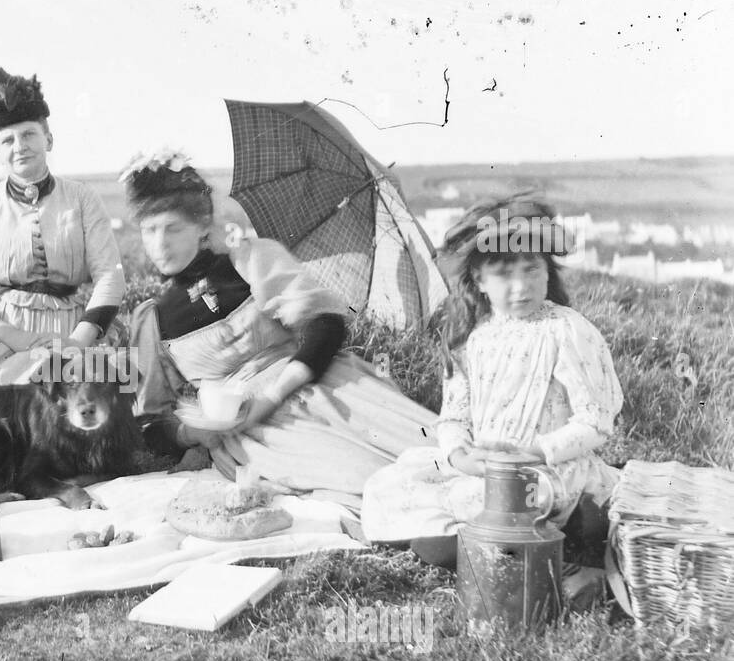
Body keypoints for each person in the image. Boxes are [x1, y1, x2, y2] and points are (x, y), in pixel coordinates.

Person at [124, 152, 439, 514]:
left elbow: (325, 326)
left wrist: (271, 397)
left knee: (433, 451)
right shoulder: (154, 318)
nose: (160, 243)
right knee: (368, 480)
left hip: (321, 386)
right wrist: (193, 434)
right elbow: (150, 422)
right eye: (150, 230)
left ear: (202, 225)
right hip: (251, 433)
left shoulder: (250, 261)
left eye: (173, 228)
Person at [360, 196, 624, 564]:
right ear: (480, 281)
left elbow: (595, 420)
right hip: (487, 470)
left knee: (509, 504)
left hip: (549, 470)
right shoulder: (474, 339)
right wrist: (462, 456)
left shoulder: (567, 331)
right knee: (389, 485)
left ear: (548, 271)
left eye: (531, 269)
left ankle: (509, 543)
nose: (520, 286)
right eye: (503, 273)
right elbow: (454, 417)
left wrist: (536, 451)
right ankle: (480, 544)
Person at [0, 66, 126, 386]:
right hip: (0, 335)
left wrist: (79, 341)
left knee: (104, 391)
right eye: (7, 140)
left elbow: (110, 276)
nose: (19, 145)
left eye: (28, 134)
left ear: (48, 139)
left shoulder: (82, 198)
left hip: (74, 328)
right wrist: (12, 336)